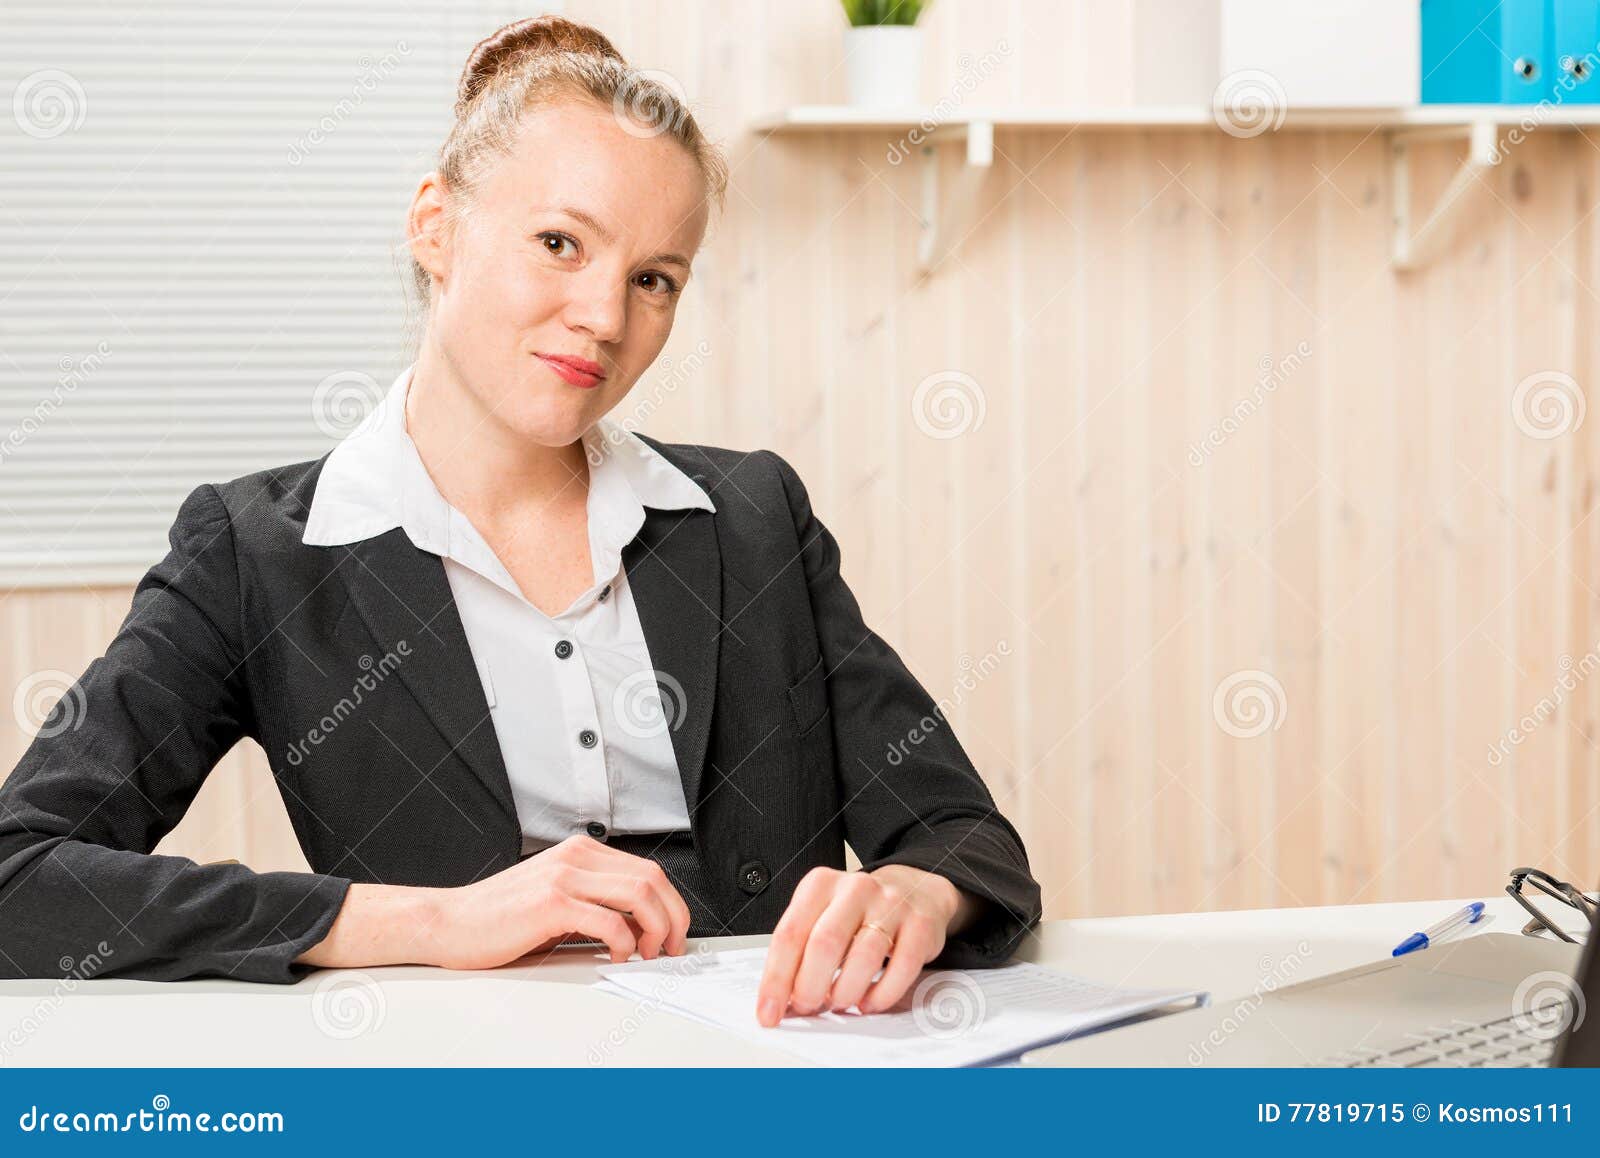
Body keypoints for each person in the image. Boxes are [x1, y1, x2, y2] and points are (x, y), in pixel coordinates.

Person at [0, 14, 1040, 1026]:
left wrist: (913, 893)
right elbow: (19, 876)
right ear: (434, 225)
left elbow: (959, 832)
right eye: (558, 242)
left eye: (653, 280)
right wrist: (422, 921)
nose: (605, 317)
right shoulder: (258, 553)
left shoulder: (752, 515)